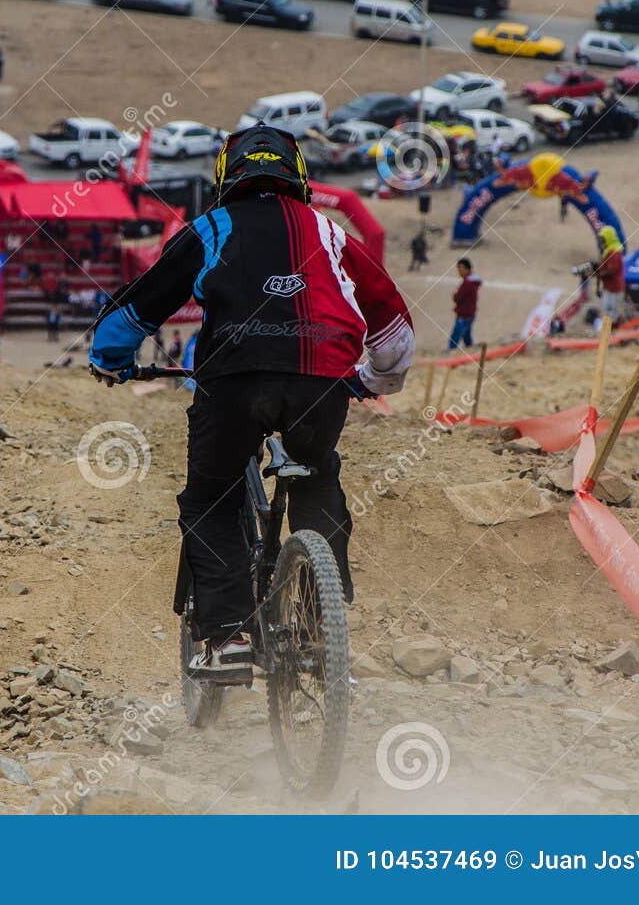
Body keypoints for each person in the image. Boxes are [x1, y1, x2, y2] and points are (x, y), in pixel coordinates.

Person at [87, 124, 414, 680]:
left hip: (233, 383)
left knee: (209, 500)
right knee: (318, 479)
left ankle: (226, 637)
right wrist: (373, 381)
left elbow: (142, 303)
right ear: (300, 177)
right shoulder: (331, 233)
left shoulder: (212, 226)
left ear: (225, 176)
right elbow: (394, 330)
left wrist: (110, 358)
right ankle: (320, 621)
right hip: (321, 382)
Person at [595, 226, 626, 325]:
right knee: (606, 311)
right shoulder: (607, 251)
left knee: (611, 312)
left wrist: (599, 273)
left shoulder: (614, 253)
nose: (601, 242)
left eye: (603, 239)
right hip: (608, 287)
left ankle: (613, 333)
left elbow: (612, 270)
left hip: (614, 288)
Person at [449, 258, 481, 349]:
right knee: (467, 338)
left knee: (454, 338)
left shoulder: (468, 283)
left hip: (464, 315)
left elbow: (458, 298)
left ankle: (449, 356)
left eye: (461, 269)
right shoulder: (472, 282)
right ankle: (472, 353)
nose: (459, 271)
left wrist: (455, 296)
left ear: (467, 269)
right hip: (470, 313)